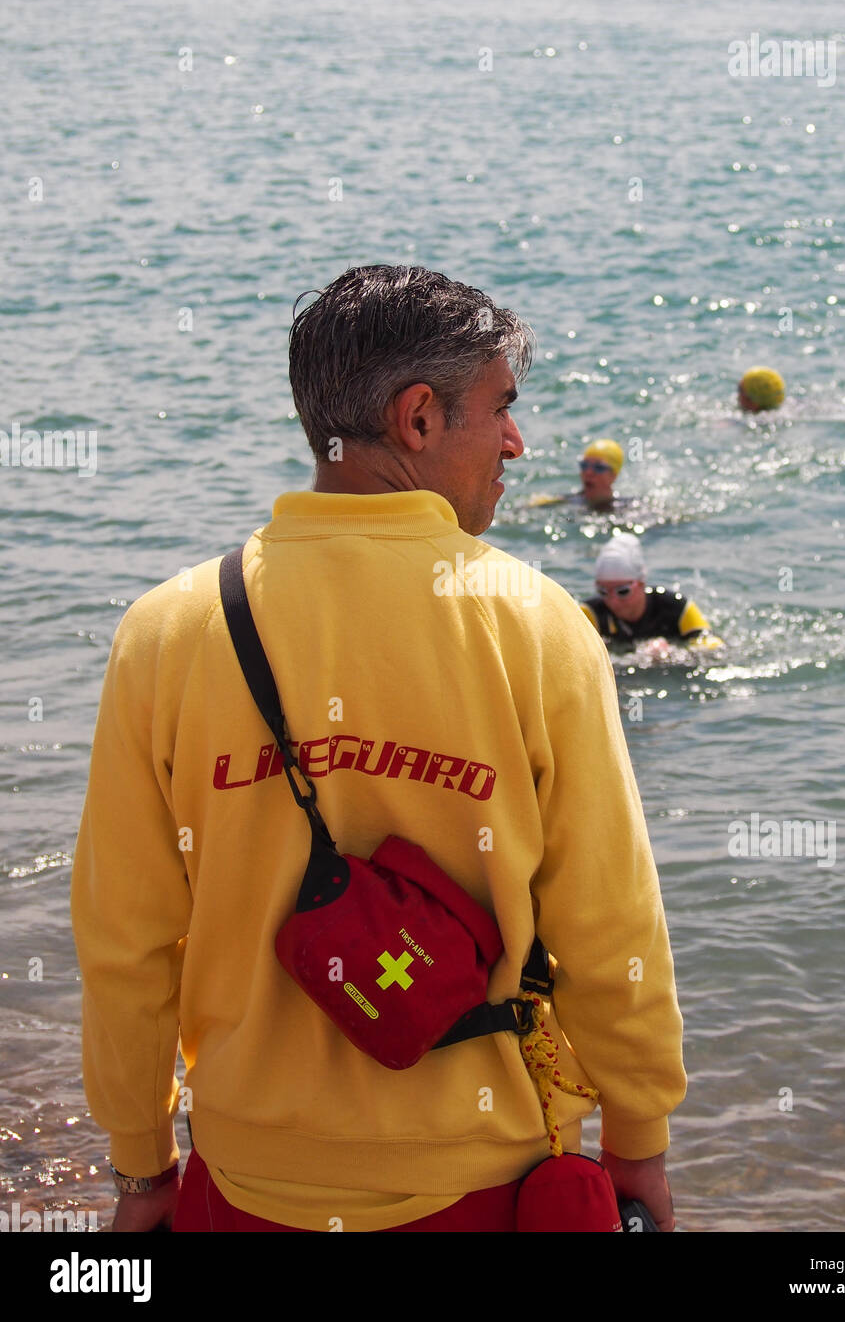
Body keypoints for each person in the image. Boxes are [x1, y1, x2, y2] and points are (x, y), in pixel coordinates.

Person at [72, 264, 686, 1234]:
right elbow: (609, 927)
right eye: (501, 409)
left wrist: (142, 1166)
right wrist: (638, 1136)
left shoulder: (167, 632)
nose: (517, 443)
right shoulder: (532, 626)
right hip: (483, 1176)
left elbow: (126, 943)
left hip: (245, 1179)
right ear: (416, 419)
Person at [581, 533, 723, 649]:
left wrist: (673, 653)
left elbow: (714, 648)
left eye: (622, 591)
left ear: (641, 583)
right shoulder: (590, 613)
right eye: (603, 591)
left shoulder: (676, 608)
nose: (613, 600)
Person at [529, 438, 626, 511]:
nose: (588, 472)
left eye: (598, 468)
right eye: (584, 465)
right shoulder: (566, 501)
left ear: (614, 476)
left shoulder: (626, 507)